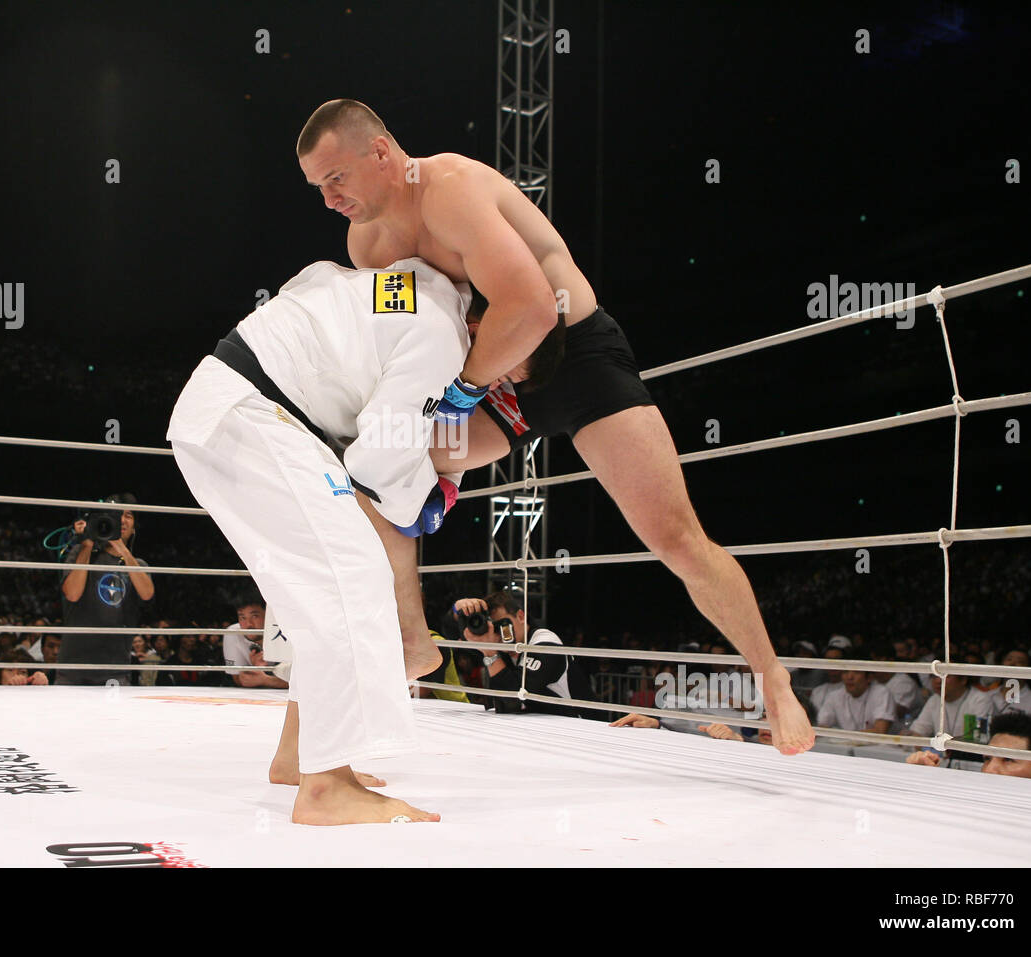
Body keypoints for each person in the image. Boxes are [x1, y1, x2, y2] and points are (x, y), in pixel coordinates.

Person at [295, 98, 815, 756]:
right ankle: (412, 634)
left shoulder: (450, 189)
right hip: (489, 382)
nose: (329, 199)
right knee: (378, 462)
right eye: (318, 186)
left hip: (573, 360)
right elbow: (397, 336)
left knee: (676, 539)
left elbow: (533, 308)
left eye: (335, 178)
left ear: (380, 152)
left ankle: (771, 677)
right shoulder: (367, 246)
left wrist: (462, 390)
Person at [168, 256, 497, 825]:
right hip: (255, 414)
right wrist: (425, 499)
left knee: (327, 591)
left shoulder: (412, 284)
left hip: (240, 404)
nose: (490, 383)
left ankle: (300, 756)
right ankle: (327, 786)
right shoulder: (445, 334)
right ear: (479, 329)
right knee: (352, 578)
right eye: (503, 371)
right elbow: (377, 461)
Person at [452, 589, 595, 719]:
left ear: (520, 616)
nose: (498, 634)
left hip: (582, 727)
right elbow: (451, 634)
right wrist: (458, 608)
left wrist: (490, 653)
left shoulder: (546, 644)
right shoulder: (496, 642)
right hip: (542, 726)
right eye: (492, 628)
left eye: (503, 626)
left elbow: (513, 699)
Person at [58, 494, 154, 686]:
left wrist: (122, 549)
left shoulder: (138, 565)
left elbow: (147, 593)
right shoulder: (80, 554)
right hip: (73, 667)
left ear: (134, 528)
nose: (122, 520)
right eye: (116, 515)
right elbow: (72, 594)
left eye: (128, 515)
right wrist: (86, 544)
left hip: (116, 669)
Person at [222, 595, 289, 690]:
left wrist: (266, 680)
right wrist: (255, 670)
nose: (248, 624)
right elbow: (238, 679)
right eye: (242, 617)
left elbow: (304, 680)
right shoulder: (233, 633)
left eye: (255, 616)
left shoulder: (286, 632)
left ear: (269, 615)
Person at [816, 669, 896, 735]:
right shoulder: (834, 696)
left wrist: (846, 737)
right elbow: (822, 727)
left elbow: (880, 731)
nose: (849, 677)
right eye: (845, 672)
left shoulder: (881, 693)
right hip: (845, 745)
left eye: (856, 672)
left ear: (869, 677)